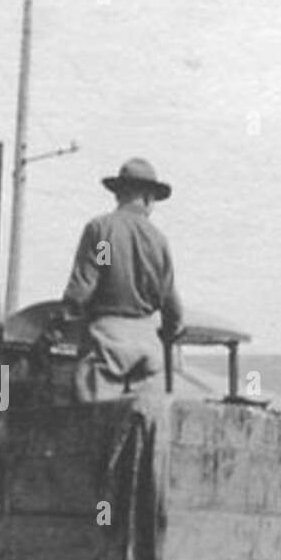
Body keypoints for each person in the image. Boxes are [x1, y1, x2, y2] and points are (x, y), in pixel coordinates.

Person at [60, 158, 185, 402]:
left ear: (119, 194)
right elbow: (170, 301)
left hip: (109, 342)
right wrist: (170, 330)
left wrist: (63, 321)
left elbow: (89, 283)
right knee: (145, 429)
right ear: (149, 199)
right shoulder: (158, 241)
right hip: (148, 347)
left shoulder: (104, 232)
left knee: (98, 429)